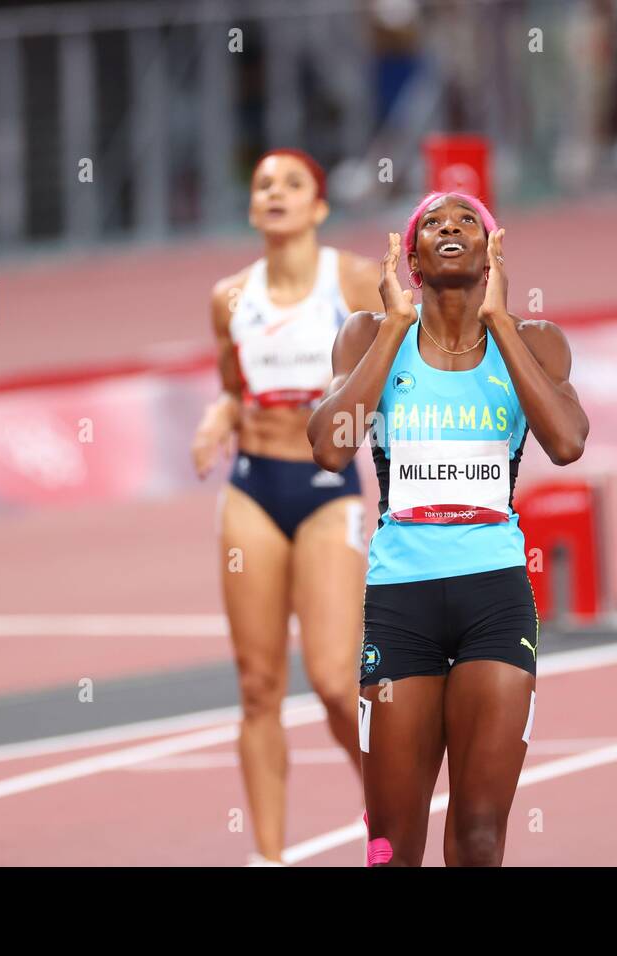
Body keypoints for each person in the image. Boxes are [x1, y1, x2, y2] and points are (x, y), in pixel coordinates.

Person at [307, 192, 590, 866]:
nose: (451, 228)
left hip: (494, 599)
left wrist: (501, 321)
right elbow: (328, 446)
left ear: (494, 252)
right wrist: (389, 330)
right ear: (412, 260)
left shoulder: (539, 341)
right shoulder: (366, 334)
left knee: (480, 836)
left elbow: (567, 441)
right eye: (433, 224)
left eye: (468, 221)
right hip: (401, 602)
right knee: (390, 844)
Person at [191, 148, 381, 866]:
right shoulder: (230, 297)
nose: (275, 193)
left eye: (291, 184)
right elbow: (235, 387)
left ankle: (385, 807)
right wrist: (219, 418)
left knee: (335, 681)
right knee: (258, 685)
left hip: (328, 490)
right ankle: (267, 857)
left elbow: (402, 344)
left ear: (318, 207)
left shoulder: (354, 279)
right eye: (262, 184)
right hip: (252, 488)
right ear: (251, 208)